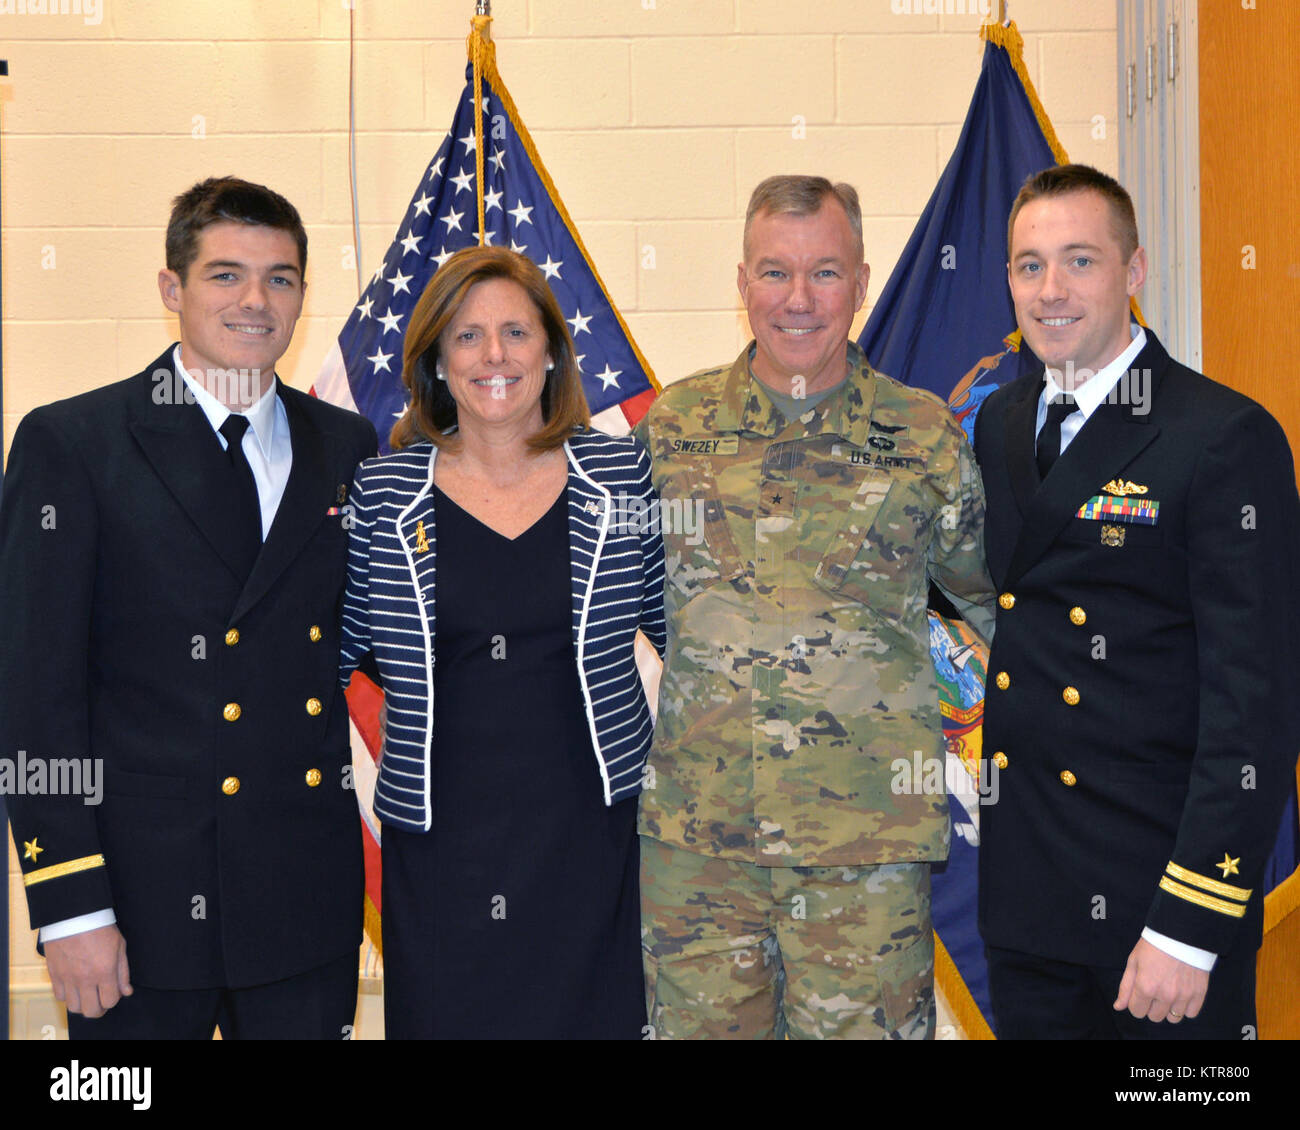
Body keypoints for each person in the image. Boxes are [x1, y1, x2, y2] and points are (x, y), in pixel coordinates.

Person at [1, 177, 378, 1039]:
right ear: (172, 289)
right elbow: (35, 698)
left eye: (281, 278)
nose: (256, 300)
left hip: (302, 906)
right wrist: (69, 907)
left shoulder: (345, 446)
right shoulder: (77, 444)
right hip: (136, 914)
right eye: (226, 275)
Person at [634, 175, 997, 1039]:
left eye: (825, 273)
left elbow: (985, 611)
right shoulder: (672, 429)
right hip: (700, 853)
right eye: (774, 273)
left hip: (864, 857)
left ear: (863, 283)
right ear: (742, 284)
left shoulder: (924, 436)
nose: (799, 300)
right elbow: (610, 606)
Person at [974, 163, 1300, 1039]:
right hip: (1031, 909)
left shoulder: (1221, 437)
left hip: (1155, 908)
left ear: (1136, 270)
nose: (1050, 291)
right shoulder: (1000, 423)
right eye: (1028, 265)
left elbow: (1255, 709)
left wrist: (1190, 926)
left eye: (1080, 260)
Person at [338, 245, 666, 1039]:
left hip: (591, 841)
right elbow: (337, 647)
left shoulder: (619, 476)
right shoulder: (384, 491)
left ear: (551, 350)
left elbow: (685, 629)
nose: (494, 356)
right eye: (466, 336)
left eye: (516, 332)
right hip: (442, 846)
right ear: (436, 361)